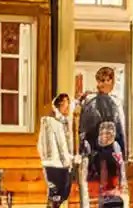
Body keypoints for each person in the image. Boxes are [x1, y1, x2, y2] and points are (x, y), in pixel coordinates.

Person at [78, 67, 127, 208]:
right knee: (99, 186)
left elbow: (121, 128)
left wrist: (122, 150)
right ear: (97, 82)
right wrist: (86, 147)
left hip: (113, 150)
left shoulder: (116, 103)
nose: (105, 84)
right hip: (96, 151)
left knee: (113, 185)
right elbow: (84, 129)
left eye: (108, 80)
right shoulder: (90, 103)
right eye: (102, 80)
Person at [38, 93, 75, 208]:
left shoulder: (46, 122)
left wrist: (44, 159)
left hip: (49, 164)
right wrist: (70, 161)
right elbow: (62, 145)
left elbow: (40, 144)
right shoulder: (57, 123)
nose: (68, 108)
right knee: (59, 195)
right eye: (66, 105)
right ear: (60, 106)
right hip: (59, 165)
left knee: (54, 195)